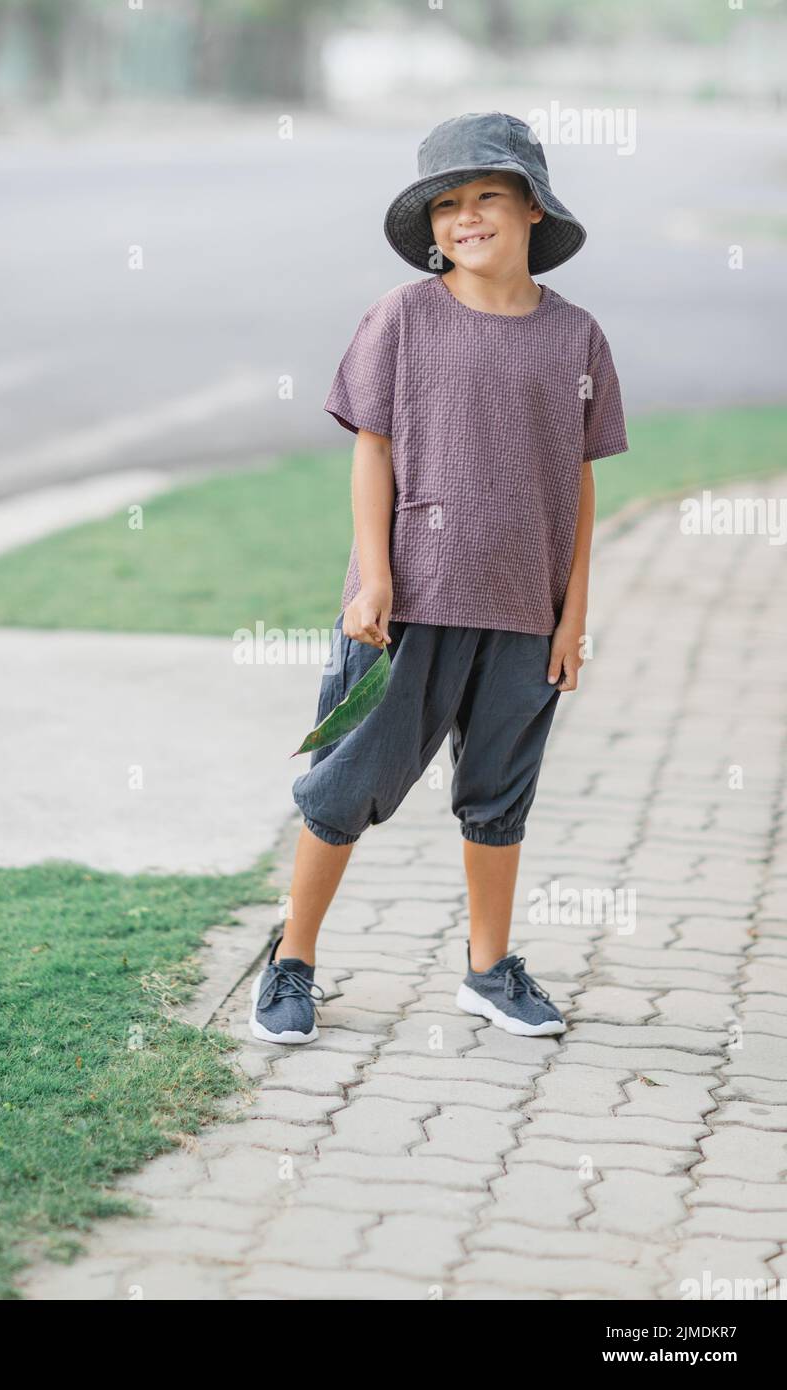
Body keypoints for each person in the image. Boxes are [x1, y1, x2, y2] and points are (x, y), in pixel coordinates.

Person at [250, 112, 629, 1045]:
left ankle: (489, 970)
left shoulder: (576, 338)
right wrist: (372, 577)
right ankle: (292, 961)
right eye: (447, 205)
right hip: (405, 607)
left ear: (532, 208)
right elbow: (372, 451)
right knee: (345, 786)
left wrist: (572, 618)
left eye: (486, 197)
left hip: (521, 613)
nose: (466, 218)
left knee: (499, 797)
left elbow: (578, 482)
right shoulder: (402, 318)